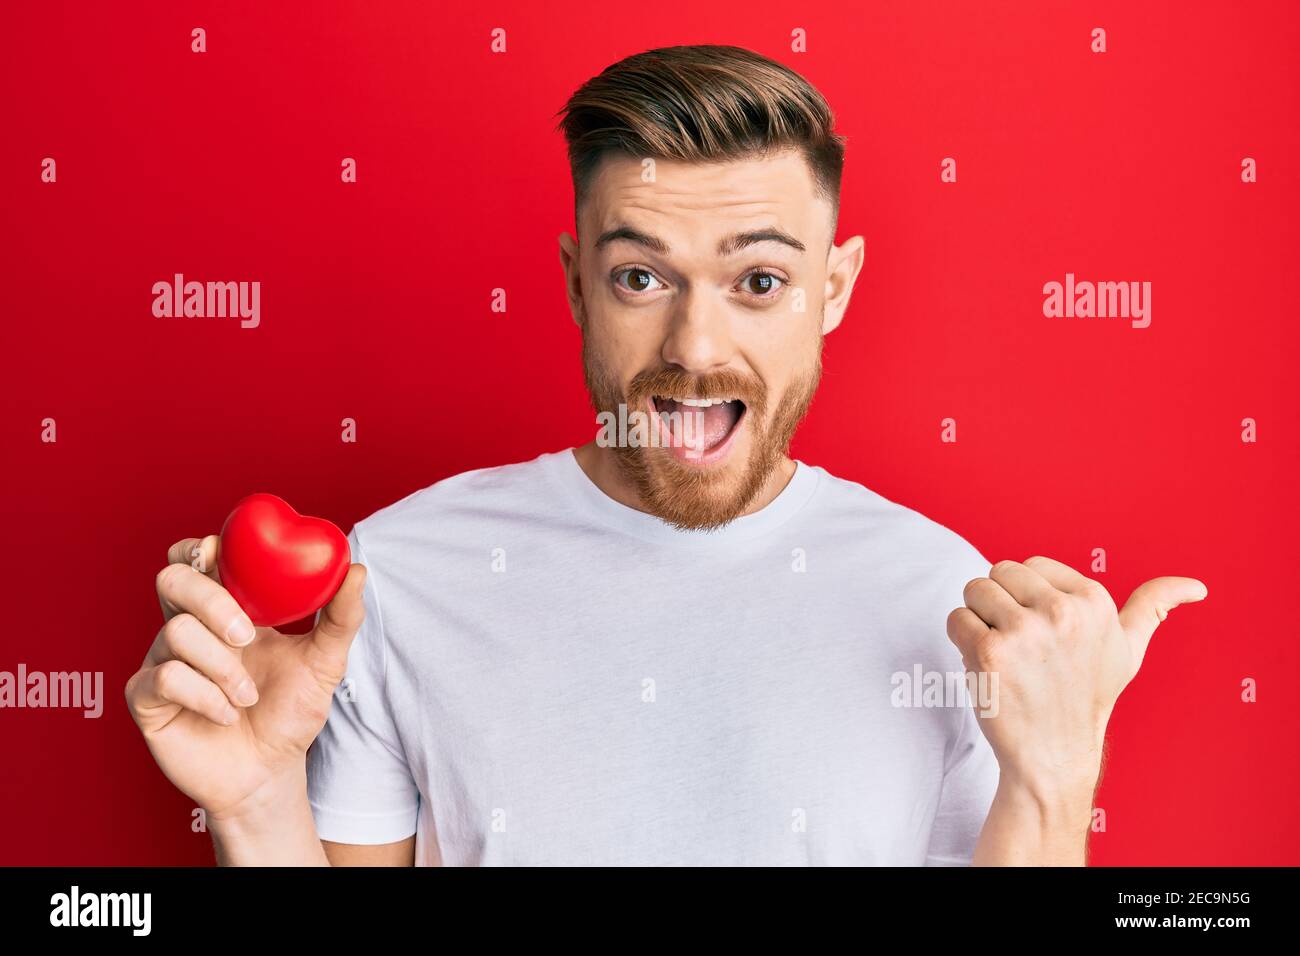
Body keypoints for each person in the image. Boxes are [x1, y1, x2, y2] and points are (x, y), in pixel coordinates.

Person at [126, 45, 1206, 866]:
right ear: (574, 283)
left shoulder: (945, 602)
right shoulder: (396, 575)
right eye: (641, 277)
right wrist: (256, 803)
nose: (694, 348)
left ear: (832, 288)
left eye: (759, 281)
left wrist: (1058, 777)